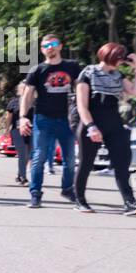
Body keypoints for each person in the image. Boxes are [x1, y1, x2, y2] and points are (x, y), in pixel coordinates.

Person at [74, 42, 136, 215]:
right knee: (86, 164)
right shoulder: (87, 73)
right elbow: (82, 106)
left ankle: (130, 202)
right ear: (111, 56)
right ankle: (80, 200)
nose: (122, 62)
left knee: (122, 164)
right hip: (91, 124)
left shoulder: (118, 75)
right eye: (120, 58)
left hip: (115, 124)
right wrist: (91, 127)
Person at [19, 34, 80, 208]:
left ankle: (68, 189)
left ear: (60, 46)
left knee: (69, 159)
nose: (50, 47)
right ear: (42, 49)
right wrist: (23, 117)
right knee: (39, 157)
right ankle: (35, 193)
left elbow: (81, 89)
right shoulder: (37, 70)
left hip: (67, 119)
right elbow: (28, 94)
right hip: (43, 119)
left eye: (53, 44)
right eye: (46, 45)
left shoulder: (72, 67)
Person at [2, 82, 31, 184]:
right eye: (24, 88)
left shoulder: (35, 101)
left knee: (29, 155)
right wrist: (6, 129)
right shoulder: (14, 102)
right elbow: (8, 117)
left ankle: (20, 175)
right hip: (17, 130)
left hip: (32, 130)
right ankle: (23, 177)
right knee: (23, 153)